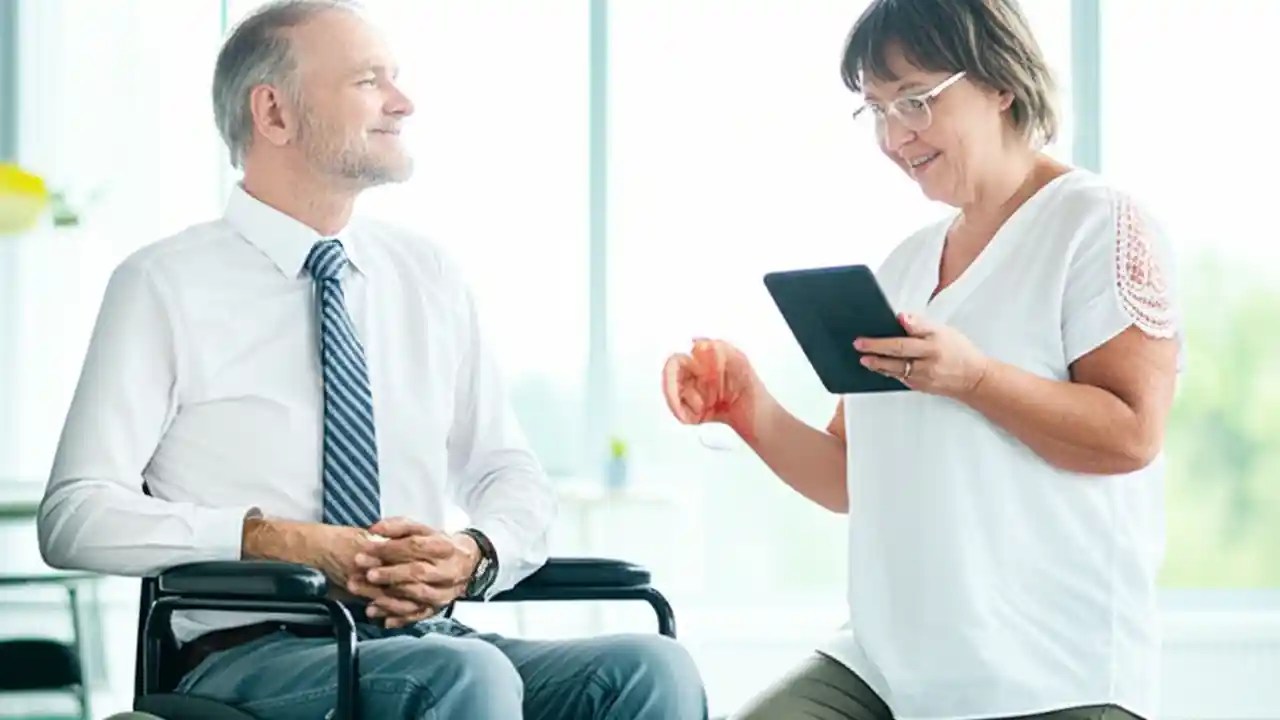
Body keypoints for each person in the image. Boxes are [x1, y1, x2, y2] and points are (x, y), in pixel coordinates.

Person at [38, 1, 707, 718]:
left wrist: (475, 553)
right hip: (254, 655)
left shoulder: (427, 276)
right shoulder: (162, 284)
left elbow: (507, 473)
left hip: (430, 640)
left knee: (649, 668)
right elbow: (76, 516)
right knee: (460, 675)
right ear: (274, 113)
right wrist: (275, 539)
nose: (402, 102)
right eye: (367, 81)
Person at [662, 1, 1180, 718]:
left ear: (1000, 83)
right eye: (876, 109)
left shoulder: (1094, 224)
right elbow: (850, 477)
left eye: (915, 100)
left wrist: (975, 379)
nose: (893, 135)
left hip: (1056, 673)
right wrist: (748, 406)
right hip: (885, 669)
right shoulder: (905, 267)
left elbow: (1131, 435)